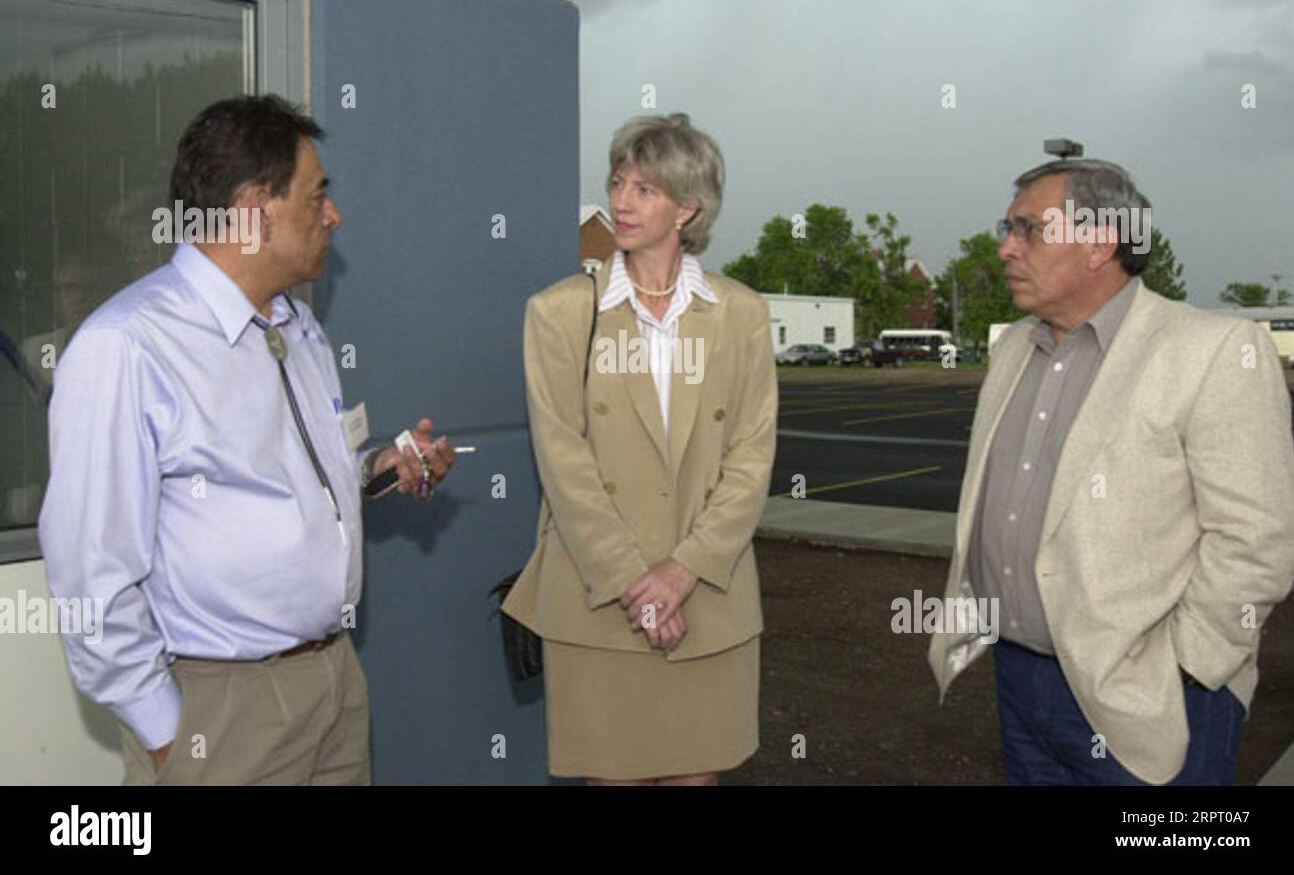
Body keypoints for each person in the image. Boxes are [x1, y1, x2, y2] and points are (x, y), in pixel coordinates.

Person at [39, 94, 457, 785]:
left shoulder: (297, 327)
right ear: (257, 207)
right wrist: (164, 729)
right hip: (220, 712)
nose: (334, 214)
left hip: (333, 684)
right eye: (317, 194)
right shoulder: (128, 346)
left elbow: (301, 479)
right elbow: (91, 568)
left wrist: (380, 468)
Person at [928, 158, 1294, 785]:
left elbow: (1259, 538)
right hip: (1019, 679)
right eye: (1007, 228)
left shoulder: (1212, 350)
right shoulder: (1014, 348)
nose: (1004, 248)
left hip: (1156, 695)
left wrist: (1188, 666)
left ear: (1100, 242)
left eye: (1027, 229)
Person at [503, 113, 777, 785]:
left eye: (645, 189)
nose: (621, 201)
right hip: (601, 604)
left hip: (709, 601)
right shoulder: (560, 312)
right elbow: (563, 463)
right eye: (618, 181)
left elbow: (751, 457)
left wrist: (681, 574)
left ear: (688, 208)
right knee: (614, 776)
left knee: (696, 777)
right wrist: (637, 584)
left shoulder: (741, 314)